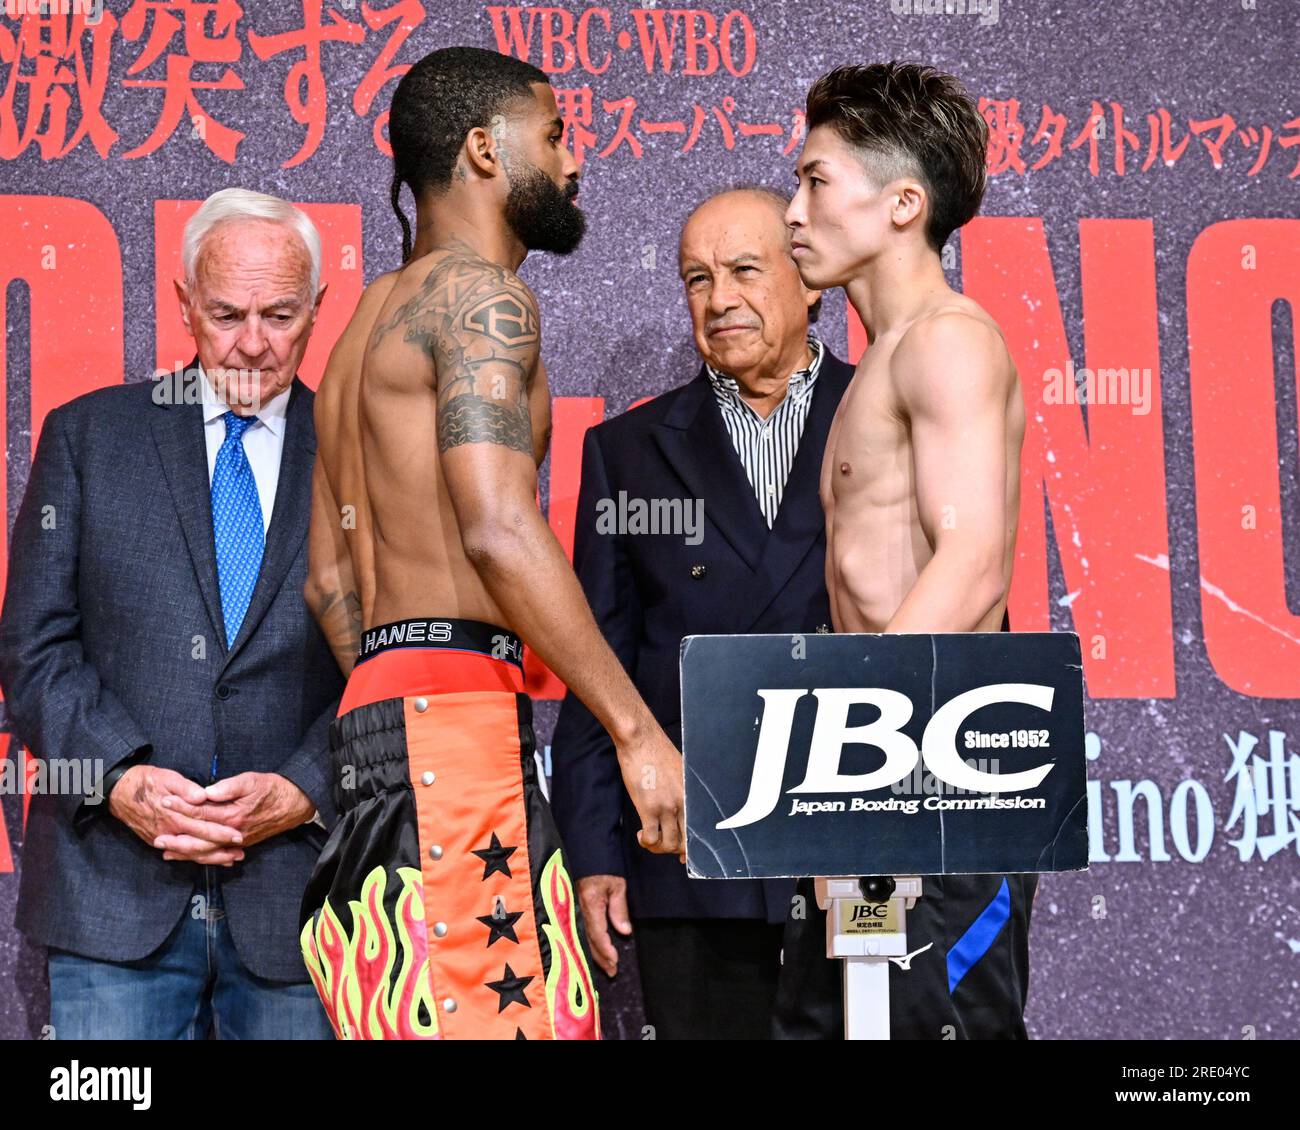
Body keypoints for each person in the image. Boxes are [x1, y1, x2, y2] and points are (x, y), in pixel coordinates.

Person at [298, 45, 684, 1041]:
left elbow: (329, 581)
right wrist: (637, 733)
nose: (572, 162)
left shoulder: (357, 333)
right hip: (455, 735)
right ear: (482, 149)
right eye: (552, 135)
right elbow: (499, 524)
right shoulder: (481, 299)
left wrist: (402, 693)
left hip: (381, 726)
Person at [0, 188, 342, 1039]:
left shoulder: (363, 456)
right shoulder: (88, 436)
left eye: (281, 314)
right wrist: (117, 779)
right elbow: (33, 647)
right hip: (112, 898)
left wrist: (306, 788)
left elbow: (395, 659)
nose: (254, 344)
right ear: (183, 302)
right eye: (226, 314)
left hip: (303, 904)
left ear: (319, 309)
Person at [550, 186, 855, 1039]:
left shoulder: (886, 417)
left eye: (745, 271)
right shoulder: (626, 453)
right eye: (696, 278)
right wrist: (593, 852)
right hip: (687, 854)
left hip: (854, 845)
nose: (719, 300)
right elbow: (594, 660)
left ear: (810, 284)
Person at [777, 61, 1036, 1039]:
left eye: (814, 180)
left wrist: (861, 760)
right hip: (887, 765)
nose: (792, 209)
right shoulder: (874, 363)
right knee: (845, 1024)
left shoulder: (947, 340)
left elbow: (970, 566)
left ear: (901, 204)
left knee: (941, 1027)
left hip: (938, 769)